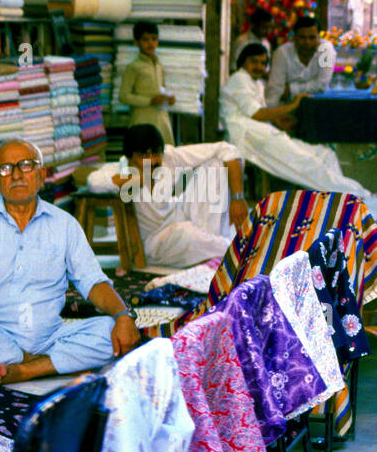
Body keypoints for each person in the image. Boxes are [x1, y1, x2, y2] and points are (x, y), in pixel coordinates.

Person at [0, 139, 141, 384]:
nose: (16, 175)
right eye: (6, 169)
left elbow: (92, 280)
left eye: (26, 165)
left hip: (49, 336)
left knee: (109, 331)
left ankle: (24, 369)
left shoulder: (64, 223)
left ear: (41, 174)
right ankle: (48, 362)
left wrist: (123, 315)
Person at [220, 43, 372, 202]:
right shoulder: (239, 78)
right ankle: (358, 195)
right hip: (248, 138)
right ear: (243, 61)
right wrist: (292, 106)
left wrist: (279, 119)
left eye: (263, 63)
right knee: (307, 163)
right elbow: (257, 114)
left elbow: (259, 110)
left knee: (325, 154)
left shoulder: (256, 83)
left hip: (262, 133)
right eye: (254, 61)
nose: (259, 67)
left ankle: (338, 198)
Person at [86, 123, 249, 268]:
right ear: (130, 156)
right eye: (144, 155)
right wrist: (142, 178)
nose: (153, 160)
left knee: (215, 166)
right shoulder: (120, 170)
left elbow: (227, 149)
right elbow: (94, 182)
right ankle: (240, 249)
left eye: (156, 153)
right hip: (157, 241)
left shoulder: (167, 157)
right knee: (186, 233)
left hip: (180, 216)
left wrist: (237, 198)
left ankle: (216, 248)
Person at [119, 20, 175, 146]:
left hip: (161, 118)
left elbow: (161, 89)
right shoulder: (133, 67)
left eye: (154, 39)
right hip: (142, 119)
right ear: (136, 42)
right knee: (144, 158)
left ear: (158, 41)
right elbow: (123, 96)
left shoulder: (159, 66)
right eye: (145, 39)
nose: (150, 43)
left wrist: (168, 98)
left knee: (164, 156)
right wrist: (149, 101)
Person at [265, 15, 335, 106]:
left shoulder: (326, 50)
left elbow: (321, 85)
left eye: (312, 37)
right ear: (294, 38)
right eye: (302, 37)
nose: (307, 42)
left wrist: (290, 89)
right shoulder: (282, 53)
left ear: (319, 37)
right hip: (286, 107)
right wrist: (272, 116)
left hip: (318, 106)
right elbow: (275, 88)